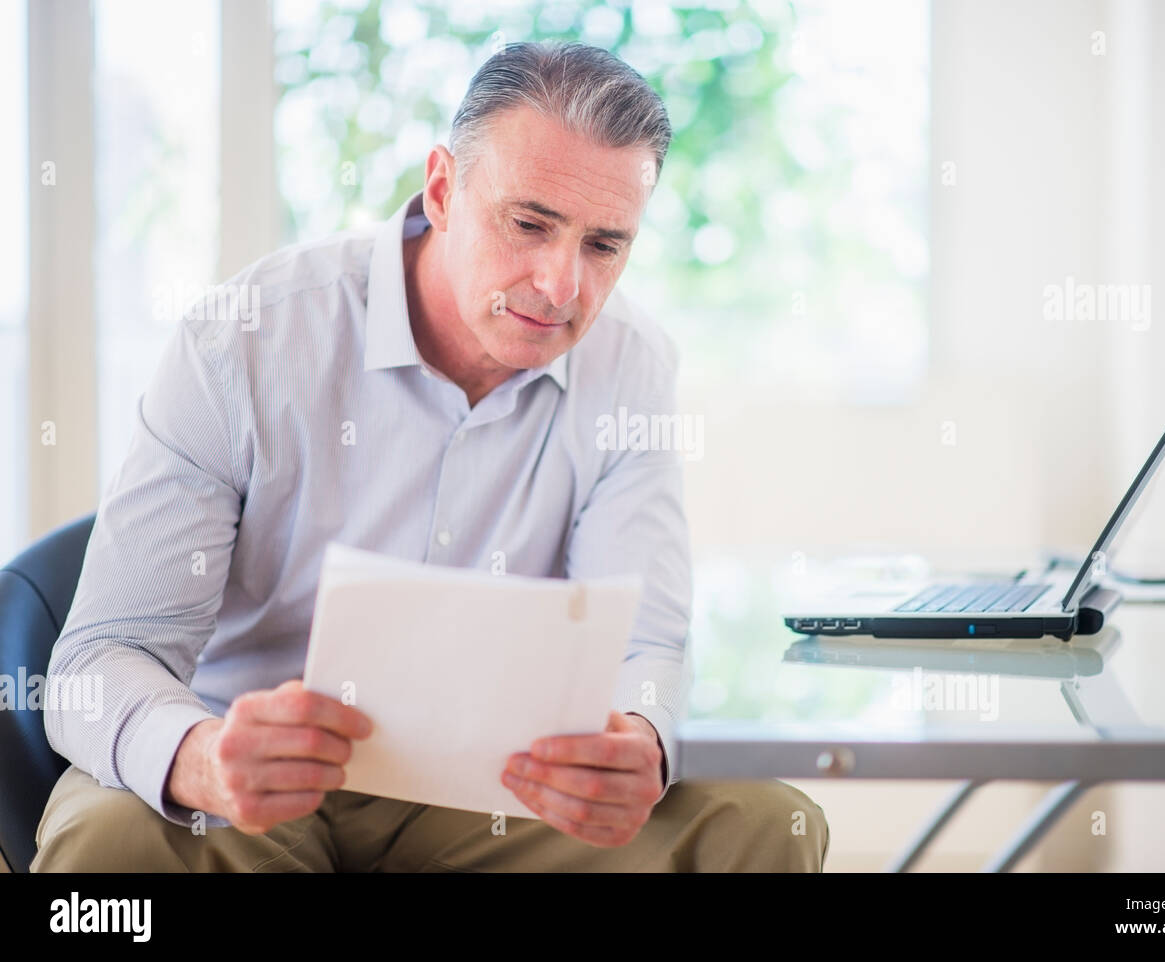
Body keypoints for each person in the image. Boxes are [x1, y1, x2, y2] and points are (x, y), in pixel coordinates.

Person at [33, 40, 827, 872]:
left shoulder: (632, 365)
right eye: (529, 224)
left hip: (499, 789)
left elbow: (645, 644)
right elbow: (100, 659)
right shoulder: (245, 337)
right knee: (109, 838)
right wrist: (203, 759)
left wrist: (641, 741)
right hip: (246, 778)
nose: (560, 284)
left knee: (763, 821)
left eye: (604, 246)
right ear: (443, 190)